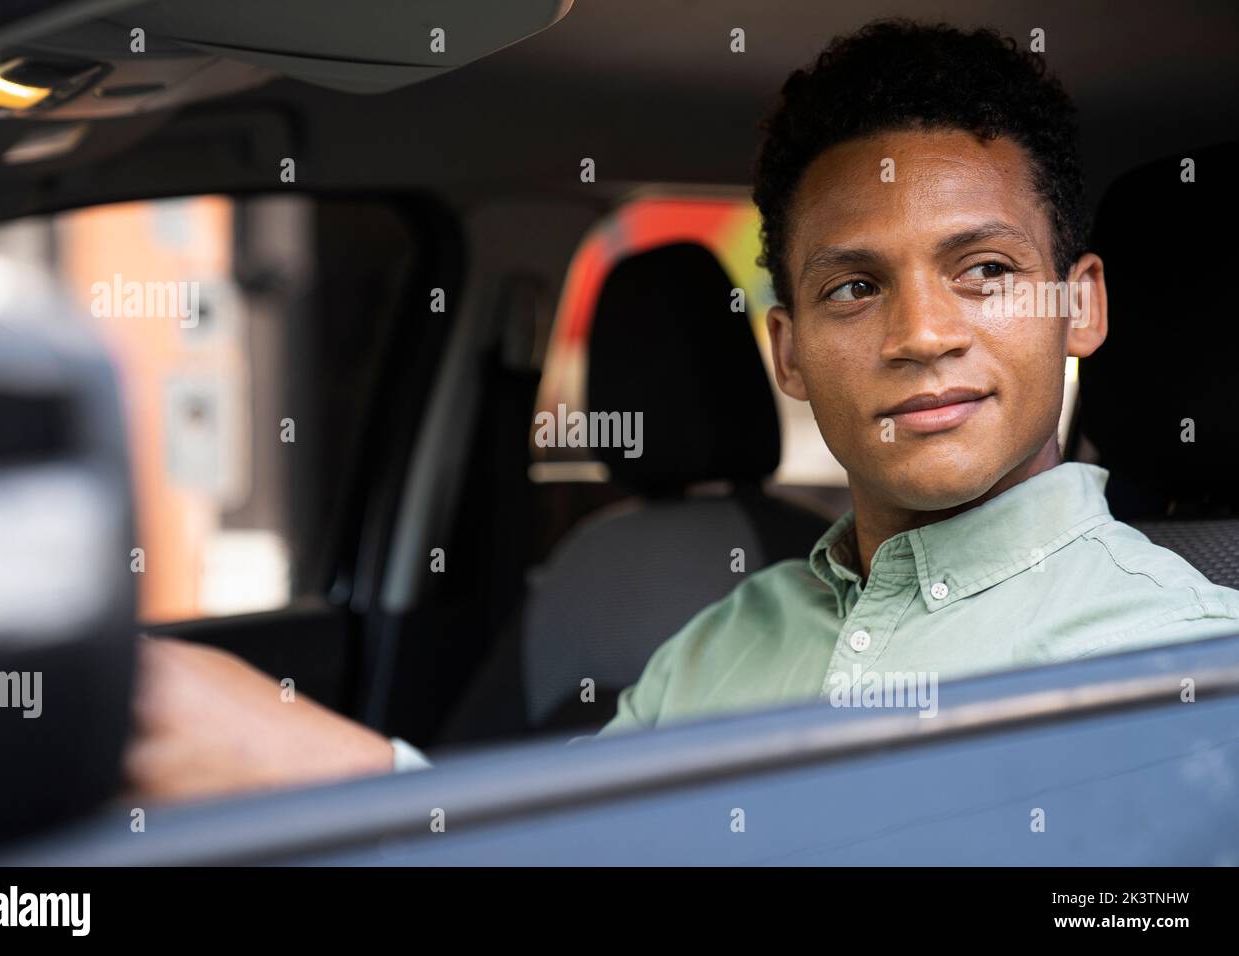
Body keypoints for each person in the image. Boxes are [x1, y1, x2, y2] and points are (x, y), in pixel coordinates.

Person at [125, 20, 1239, 801]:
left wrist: (336, 778)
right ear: (789, 352)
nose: (920, 333)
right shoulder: (717, 642)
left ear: (1078, 305)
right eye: (855, 286)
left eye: (984, 269)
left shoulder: (1180, 662)